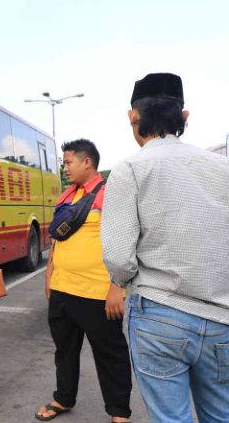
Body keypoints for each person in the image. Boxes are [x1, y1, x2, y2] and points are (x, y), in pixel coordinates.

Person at [102, 73, 229, 423]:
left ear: (133, 116)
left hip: (160, 314)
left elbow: (117, 257)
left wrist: (124, 280)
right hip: (222, 319)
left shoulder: (130, 169)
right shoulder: (223, 168)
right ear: (183, 118)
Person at [35, 139, 132, 422]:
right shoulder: (66, 196)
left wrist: (117, 287)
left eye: (68, 163)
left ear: (86, 162)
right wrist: (49, 275)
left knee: (109, 354)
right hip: (62, 289)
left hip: (97, 293)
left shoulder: (109, 194)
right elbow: (57, 240)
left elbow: (123, 242)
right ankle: (64, 399)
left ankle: (119, 412)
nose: (64, 168)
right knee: (64, 350)